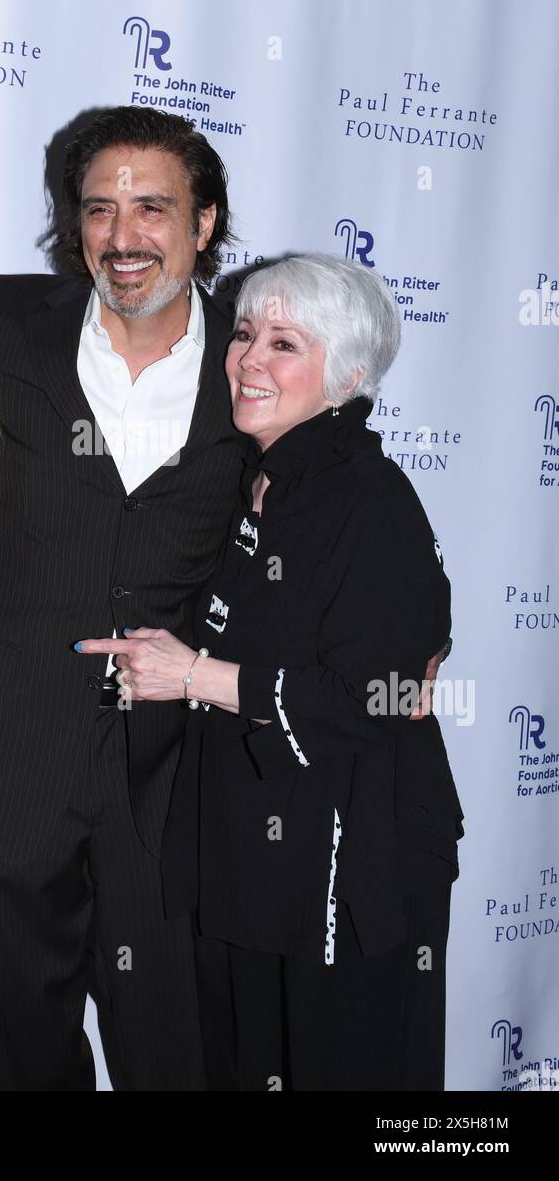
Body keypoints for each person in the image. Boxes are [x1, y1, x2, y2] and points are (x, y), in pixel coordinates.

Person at [77, 252, 463, 1091]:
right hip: (246, 857)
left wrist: (195, 677)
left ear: (348, 374)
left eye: (284, 343)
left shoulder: (371, 497)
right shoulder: (256, 480)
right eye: (245, 333)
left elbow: (375, 694)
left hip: (346, 868)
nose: (249, 359)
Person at [0, 106, 250, 1090]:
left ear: (202, 225)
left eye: (152, 207)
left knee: (182, 1043)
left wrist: (398, 623)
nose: (123, 235)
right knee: (18, 1041)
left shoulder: (267, 351)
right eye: (98, 208)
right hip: (6, 750)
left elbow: (342, 492)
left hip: (180, 764)